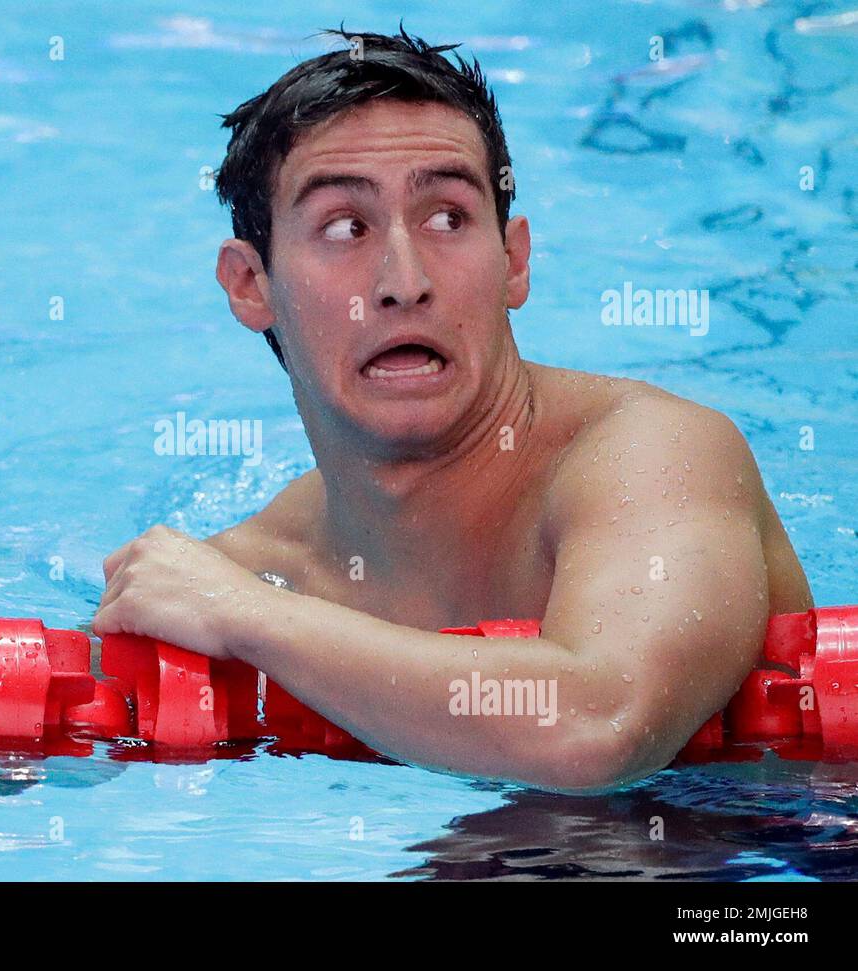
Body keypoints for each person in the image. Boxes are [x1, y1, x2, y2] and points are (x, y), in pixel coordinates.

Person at [92, 28, 812, 791]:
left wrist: (251, 619)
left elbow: (599, 725)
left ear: (515, 260)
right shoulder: (250, 572)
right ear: (249, 284)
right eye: (345, 227)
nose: (404, 282)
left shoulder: (653, 453)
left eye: (447, 218)